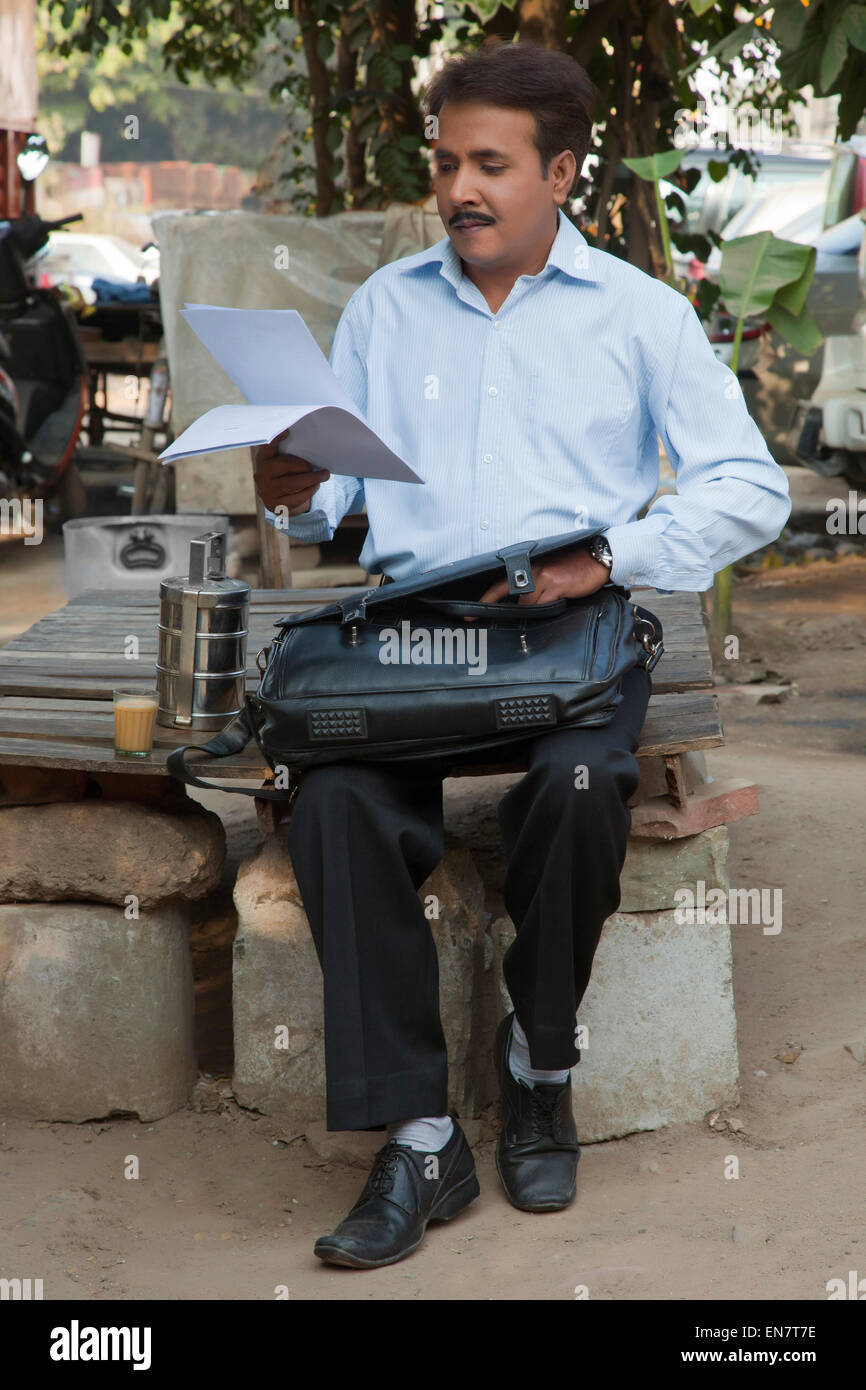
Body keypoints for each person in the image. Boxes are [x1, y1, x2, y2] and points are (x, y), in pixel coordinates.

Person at [252, 41, 791, 1270]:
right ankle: (423, 1131)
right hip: (412, 642)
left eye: (488, 164)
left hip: (569, 638)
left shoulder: (641, 317)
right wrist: (288, 487)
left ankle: (538, 1060)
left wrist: (611, 552)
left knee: (586, 783)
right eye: (445, 163)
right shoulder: (387, 306)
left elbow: (746, 488)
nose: (459, 189)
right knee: (330, 797)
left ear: (559, 174)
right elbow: (332, 495)